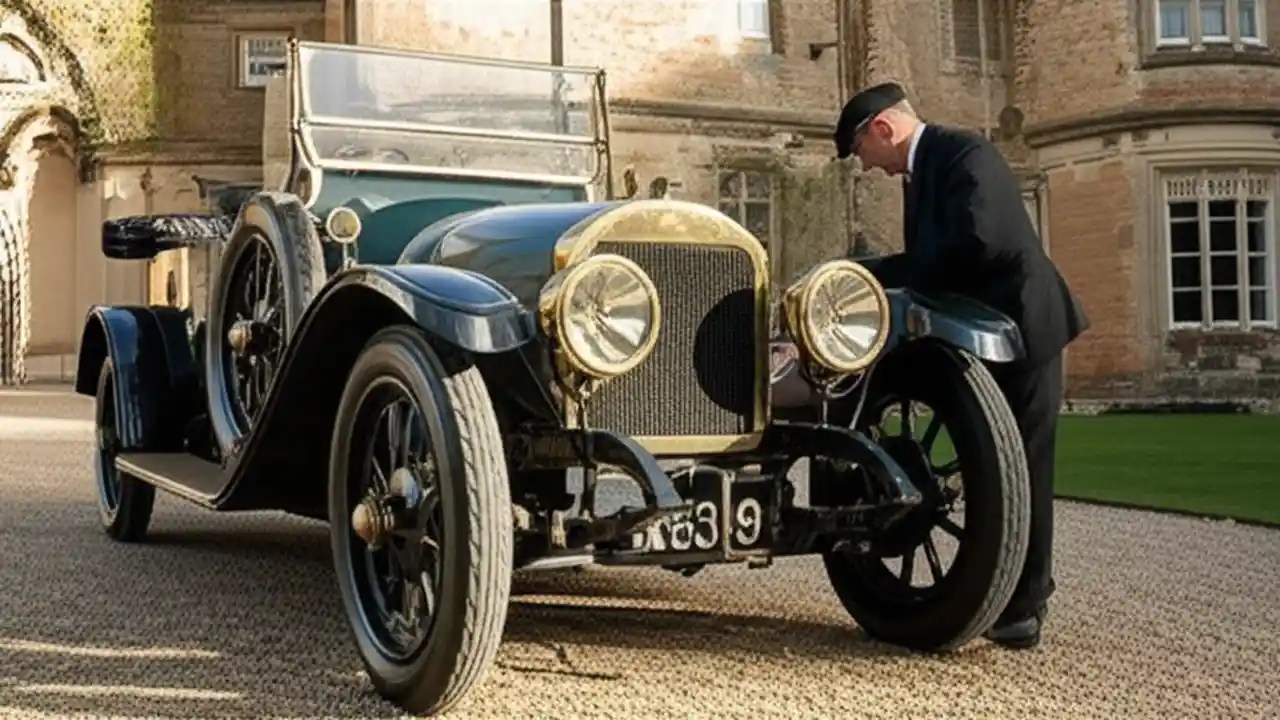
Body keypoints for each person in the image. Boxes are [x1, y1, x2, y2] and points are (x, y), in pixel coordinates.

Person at [832, 81, 1090, 649]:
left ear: (883, 129)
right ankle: (986, 595)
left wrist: (893, 272)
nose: (866, 168)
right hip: (980, 335)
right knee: (989, 472)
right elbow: (932, 259)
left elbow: (979, 242)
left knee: (1025, 466)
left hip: (1023, 327)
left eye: (861, 153)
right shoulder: (925, 169)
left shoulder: (965, 154)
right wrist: (867, 275)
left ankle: (1025, 608)